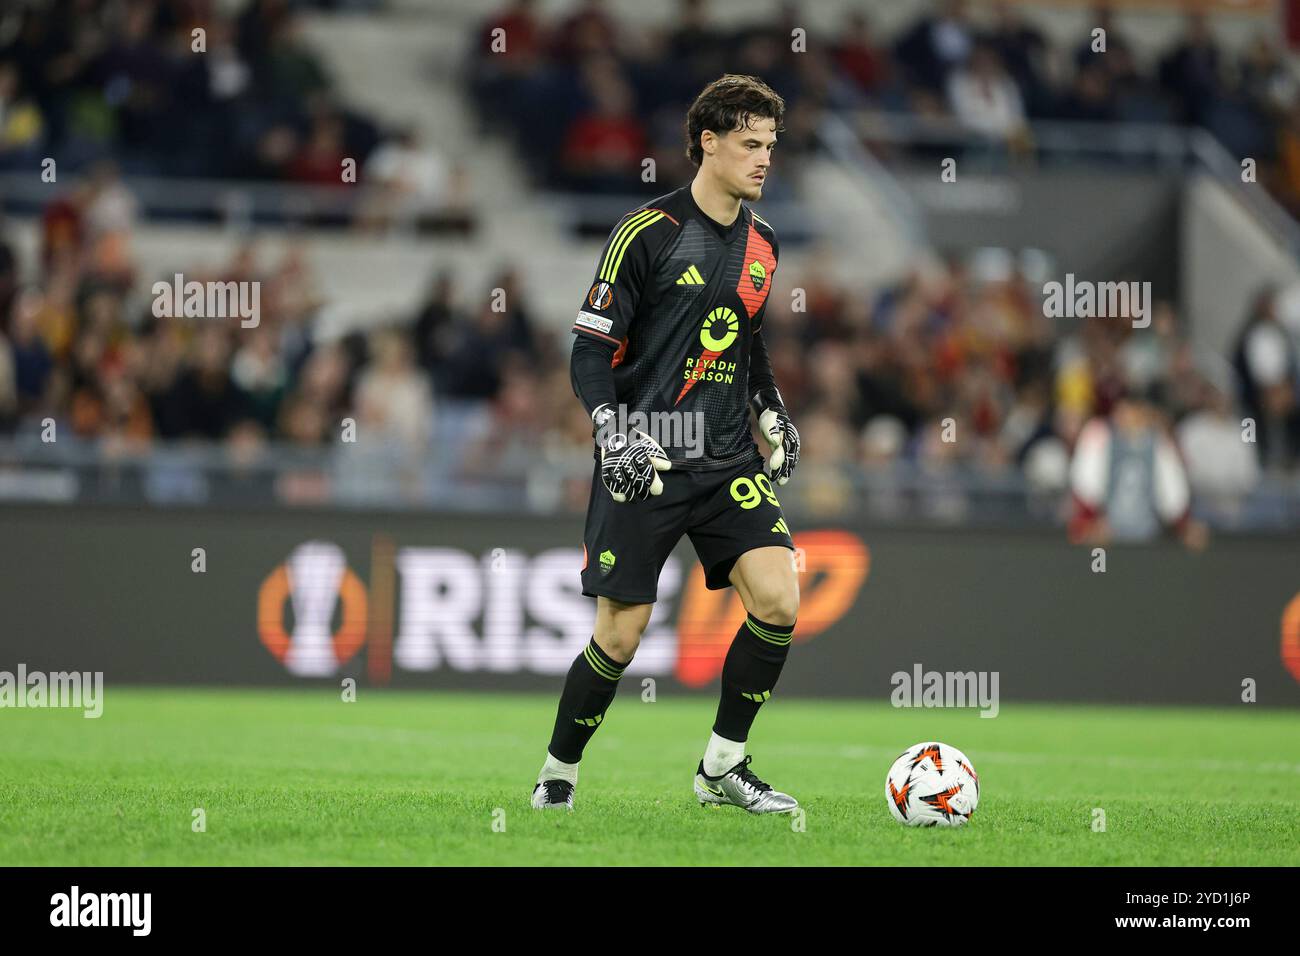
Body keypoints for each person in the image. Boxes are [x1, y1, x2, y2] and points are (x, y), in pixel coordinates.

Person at [530, 74, 802, 814]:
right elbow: (590, 351)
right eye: (750, 144)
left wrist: (769, 408)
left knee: (778, 599)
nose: (764, 159)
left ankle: (722, 767)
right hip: (644, 457)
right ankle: (559, 773)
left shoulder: (765, 245)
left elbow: (746, 341)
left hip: (726, 460)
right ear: (707, 143)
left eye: (771, 145)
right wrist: (612, 430)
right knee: (620, 638)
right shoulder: (645, 233)